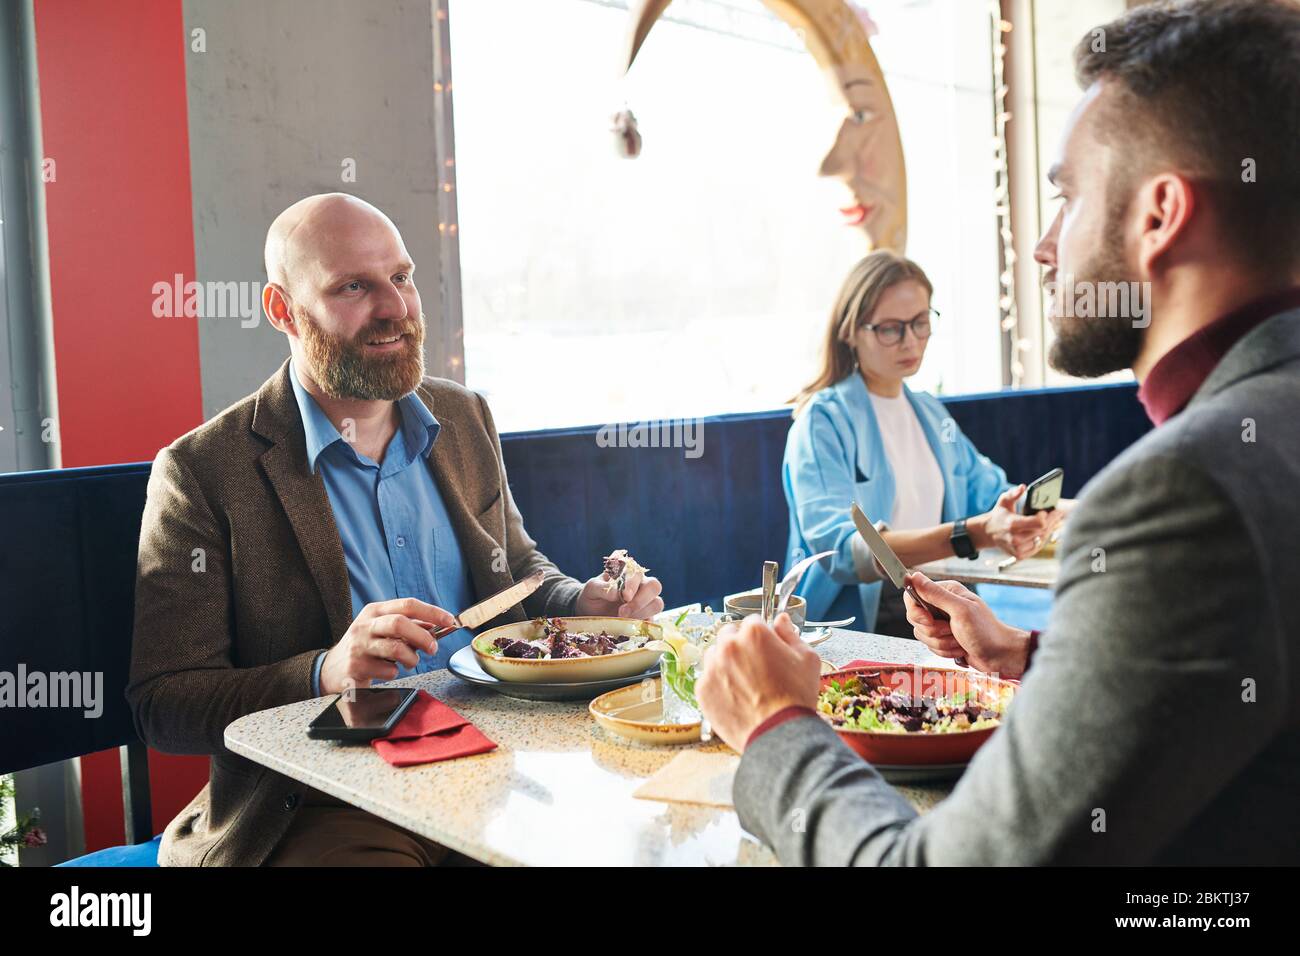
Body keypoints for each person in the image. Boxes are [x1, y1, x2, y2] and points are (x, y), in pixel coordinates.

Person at [698, 0, 1300, 864]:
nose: (1046, 247)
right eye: (892, 327)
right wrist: (1038, 654)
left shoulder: (1182, 491)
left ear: (1160, 215)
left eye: (1068, 198)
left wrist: (774, 728)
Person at [127, 193, 663, 866]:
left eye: (401, 278)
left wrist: (581, 605)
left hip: (498, 764)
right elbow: (165, 703)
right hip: (325, 795)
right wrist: (326, 672)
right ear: (282, 310)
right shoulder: (202, 471)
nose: (394, 308)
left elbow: (520, 575)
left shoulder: (464, 417)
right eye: (354, 286)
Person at [784, 250, 1063, 636]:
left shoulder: (930, 413)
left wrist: (1042, 513)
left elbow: (991, 494)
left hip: (941, 602)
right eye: (890, 328)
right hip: (861, 622)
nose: (910, 341)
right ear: (850, 331)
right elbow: (847, 552)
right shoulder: (823, 421)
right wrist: (976, 533)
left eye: (920, 322)